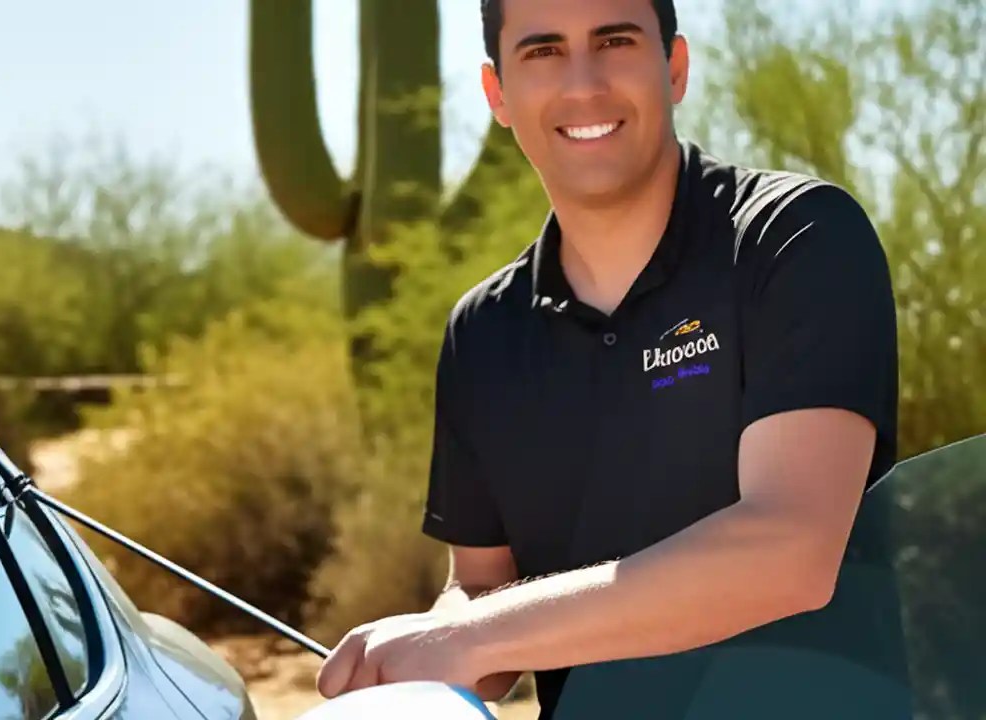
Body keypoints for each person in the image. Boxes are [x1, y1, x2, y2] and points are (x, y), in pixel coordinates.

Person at [315, 0, 901, 717]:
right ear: (498, 95)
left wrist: (473, 636)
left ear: (675, 67)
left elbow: (791, 552)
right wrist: (419, 654)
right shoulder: (483, 330)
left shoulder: (794, 238)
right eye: (543, 52)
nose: (583, 83)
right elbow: (480, 589)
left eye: (614, 40)